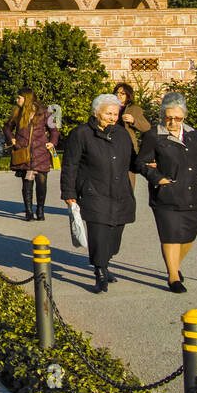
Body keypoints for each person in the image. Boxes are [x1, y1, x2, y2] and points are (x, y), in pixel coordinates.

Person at [134, 92, 197, 293]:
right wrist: (156, 177)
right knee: (171, 235)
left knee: (188, 236)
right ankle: (173, 276)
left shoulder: (194, 134)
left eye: (177, 118)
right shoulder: (153, 135)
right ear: (162, 115)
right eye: (168, 117)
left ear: (184, 116)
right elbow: (140, 162)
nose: (172, 121)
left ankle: (174, 265)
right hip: (167, 195)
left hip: (194, 194)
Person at [61, 94, 137, 293]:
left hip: (120, 193)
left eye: (115, 114)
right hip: (93, 191)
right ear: (96, 113)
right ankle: (100, 271)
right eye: (108, 113)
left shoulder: (122, 134)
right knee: (99, 233)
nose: (112, 117)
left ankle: (105, 261)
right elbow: (70, 165)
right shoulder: (81, 134)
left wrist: (153, 167)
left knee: (114, 236)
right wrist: (69, 192)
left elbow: (134, 161)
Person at [3, 89, 60, 221]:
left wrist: (52, 142)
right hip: (24, 151)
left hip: (41, 152)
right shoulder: (17, 113)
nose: (17, 100)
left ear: (26, 98)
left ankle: (40, 209)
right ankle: (29, 211)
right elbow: (7, 127)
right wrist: (12, 138)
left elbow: (54, 130)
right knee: (27, 183)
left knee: (41, 182)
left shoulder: (46, 112)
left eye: (19, 98)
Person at [113, 82, 152, 188]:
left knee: (128, 176)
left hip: (126, 146)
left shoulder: (134, 109)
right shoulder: (110, 107)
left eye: (123, 93)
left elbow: (146, 127)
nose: (119, 95)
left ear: (128, 95)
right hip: (110, 145)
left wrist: (133, 120)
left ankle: (128, 199)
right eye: (117, 93)